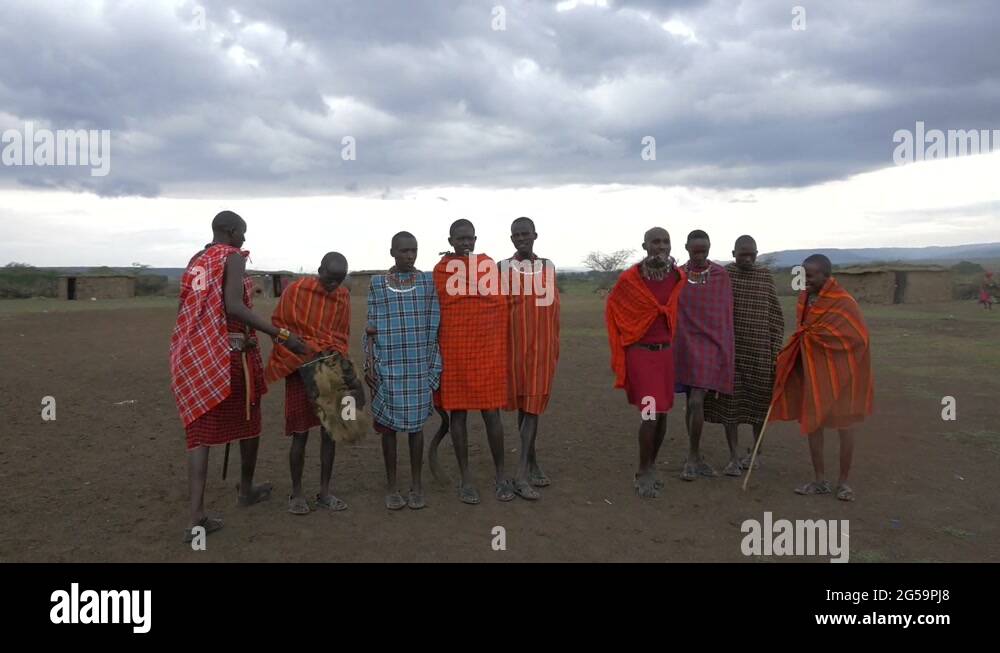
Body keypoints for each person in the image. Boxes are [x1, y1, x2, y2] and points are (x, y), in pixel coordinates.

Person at [170, 210, 307, 542]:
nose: (244, 240)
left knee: (199, 434)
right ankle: (245, 490)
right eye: (242, 233)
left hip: (195, 355)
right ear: (230, 232)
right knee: (250, 419)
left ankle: (195, 518)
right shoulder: (232, 257)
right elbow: (233, 306)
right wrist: (280, 334)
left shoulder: (197, 259)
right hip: (229, 356)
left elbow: (186, 309)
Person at [772, 254, 874, 501]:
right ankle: (819, 480)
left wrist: (817, 339)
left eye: (811, 276)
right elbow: (804, 333)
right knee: (814, 425)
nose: (805, 280)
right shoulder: (805, 300)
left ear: (826, 276)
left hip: (842, 374)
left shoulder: (843, 302)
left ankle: (844, 482)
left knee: (845, 427)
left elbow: (858, 338)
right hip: (815, 373)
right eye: (803, 275)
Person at [429, 219, 513, 504]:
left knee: (492, 413)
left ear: (476, 239)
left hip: (486, 349)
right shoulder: (441, 270)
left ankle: (501, 475)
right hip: (454, 351)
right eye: (460, 239)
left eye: (470, 238)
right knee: (459, 415)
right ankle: (466, 478)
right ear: (450, 241)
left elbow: (499, 304)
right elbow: (437, 308)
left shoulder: (487, 265)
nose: (466, 243)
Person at [265, 252, 354, 515]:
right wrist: (304, 351)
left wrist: (331, 352)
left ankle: (325, 492)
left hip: (329, 369)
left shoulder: (343, 296)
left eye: (338, 281)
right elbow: (279, 325)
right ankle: (297, 493)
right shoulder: (296, 291)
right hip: (299, 368)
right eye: (329, 279)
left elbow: (341, 333)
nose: (332, 286)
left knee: (330, 433)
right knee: (300, 433)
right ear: (319, 270)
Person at [605, 227, 687, 498]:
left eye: (666, 241)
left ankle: (651, 465)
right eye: (655, 242)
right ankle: (642, 471)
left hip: (665, 354)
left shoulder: (678, 277)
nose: (661, 246)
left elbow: (673, 310)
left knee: (663, 414)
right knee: (650, 414)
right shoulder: (631, 279)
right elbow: (614, 309)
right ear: (645, 246)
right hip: (641, 354)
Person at [364, 231, 442, 510]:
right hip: (388, 365)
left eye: (414, 250)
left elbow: (434, 325)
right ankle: (392, 485)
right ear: (392, 252)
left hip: (418, 365)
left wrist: (433, 363)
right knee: (388, 430)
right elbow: (370, 328)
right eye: (404, 251)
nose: (410, 256)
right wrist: (370, 363)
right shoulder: (377, 284)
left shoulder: (427, 283)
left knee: (416, 428)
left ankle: (417, 484)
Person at [704, 235, 784, 475]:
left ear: (757, 253)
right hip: (731, 355)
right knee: (730, 406)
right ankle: (733, 455)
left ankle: (756, 453)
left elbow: (775, 317)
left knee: (759, 405)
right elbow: (713, 312)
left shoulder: (765, 277)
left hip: (760, 354)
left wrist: (774, 352)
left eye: (751, 254)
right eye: (742, 254)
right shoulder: (724, 276)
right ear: (733, 253)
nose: (747, 258)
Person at [504, 217, 560, 499]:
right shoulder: (502, 270)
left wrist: (554, 346)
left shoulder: (548, 267)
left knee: (534, 408)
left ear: (535, 235)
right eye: (516, 235)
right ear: (511, 238)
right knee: (526, 406)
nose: (521, 238)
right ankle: (532, 463)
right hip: (514, 350)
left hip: (542, 350)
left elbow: (553, 312)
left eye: (525, 234)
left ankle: (521, 474)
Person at [672, 230, 735, 480]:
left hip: (711, 345)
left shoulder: (720, 275)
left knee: (697, 400)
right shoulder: (678, 275)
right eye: (695, 250)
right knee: (691, 400)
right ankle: (694, 456)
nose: (700, 255)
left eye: (704, 250)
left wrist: (725, 348)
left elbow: (724, 314)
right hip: (686, 343)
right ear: (686, 247)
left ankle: (693, 456)